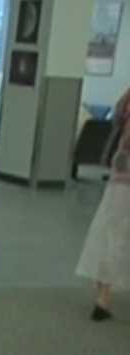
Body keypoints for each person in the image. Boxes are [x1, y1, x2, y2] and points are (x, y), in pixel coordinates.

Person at [77, 86, 130, 321]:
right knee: (111, 231)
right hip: (122, 173)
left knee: (112, 232)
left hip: (123, 174)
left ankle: (104, 296)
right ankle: (103, 295)